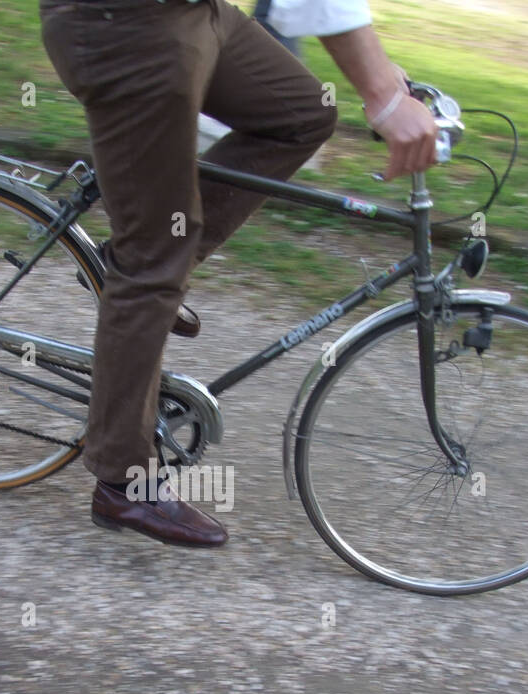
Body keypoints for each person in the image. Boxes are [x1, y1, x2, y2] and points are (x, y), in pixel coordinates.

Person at [39, 0, 437, 547]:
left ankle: (138, 271)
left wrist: (385, 78)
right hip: (126, 23)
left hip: (193, 13)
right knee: (154, 259)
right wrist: (383, 96)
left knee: (301, 114)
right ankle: (123, 482)